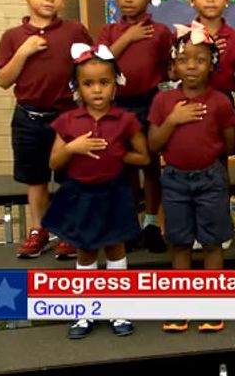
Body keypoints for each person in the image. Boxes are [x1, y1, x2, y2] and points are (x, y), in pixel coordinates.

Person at [42, 43, 149, 338]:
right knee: (86, 252)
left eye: (104, 82)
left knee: (116, 249)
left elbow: (144, 157)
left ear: (116, 84)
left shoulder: (126, 120)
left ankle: (119, 311)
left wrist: (120, 155)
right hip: (81, 195)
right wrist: (73, 147)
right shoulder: (68, 121)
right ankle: (85, 312)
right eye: (89, 84)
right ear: (77, 87)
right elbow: (54, 160)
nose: (97, 90)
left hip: (114, 193)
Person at [0, 0, 94, 259]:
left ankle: (67, 230)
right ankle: (39, 229)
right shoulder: (13, 36)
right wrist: (23, 51)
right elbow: (3, 80)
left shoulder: (74, 30)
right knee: (35, 178)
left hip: (65, 117)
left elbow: (92, 67)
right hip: (27, 117)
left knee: (69, 178)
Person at [149, 23, 235, 334]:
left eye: (199, 60)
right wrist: (173, 120)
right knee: (180, 242)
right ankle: (181, 305)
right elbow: (153, 144)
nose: (191, 66)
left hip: (210, 178)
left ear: (211, 64)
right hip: (174, 180)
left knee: (213, 243)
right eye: (184, 59)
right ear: (174, 64)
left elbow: (229, 144)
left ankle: (212, 306)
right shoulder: (163, 102)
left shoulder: (220, 102)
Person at [97, 0, 173, 253]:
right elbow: (100, 63)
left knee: (152, 165)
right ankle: (129, 223)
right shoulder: (109, 32)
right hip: (118, 107)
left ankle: (152, 223)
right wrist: (127, 38)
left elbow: (168, 69)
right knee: (125, 166)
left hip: (150, 104)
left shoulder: (161, 32)